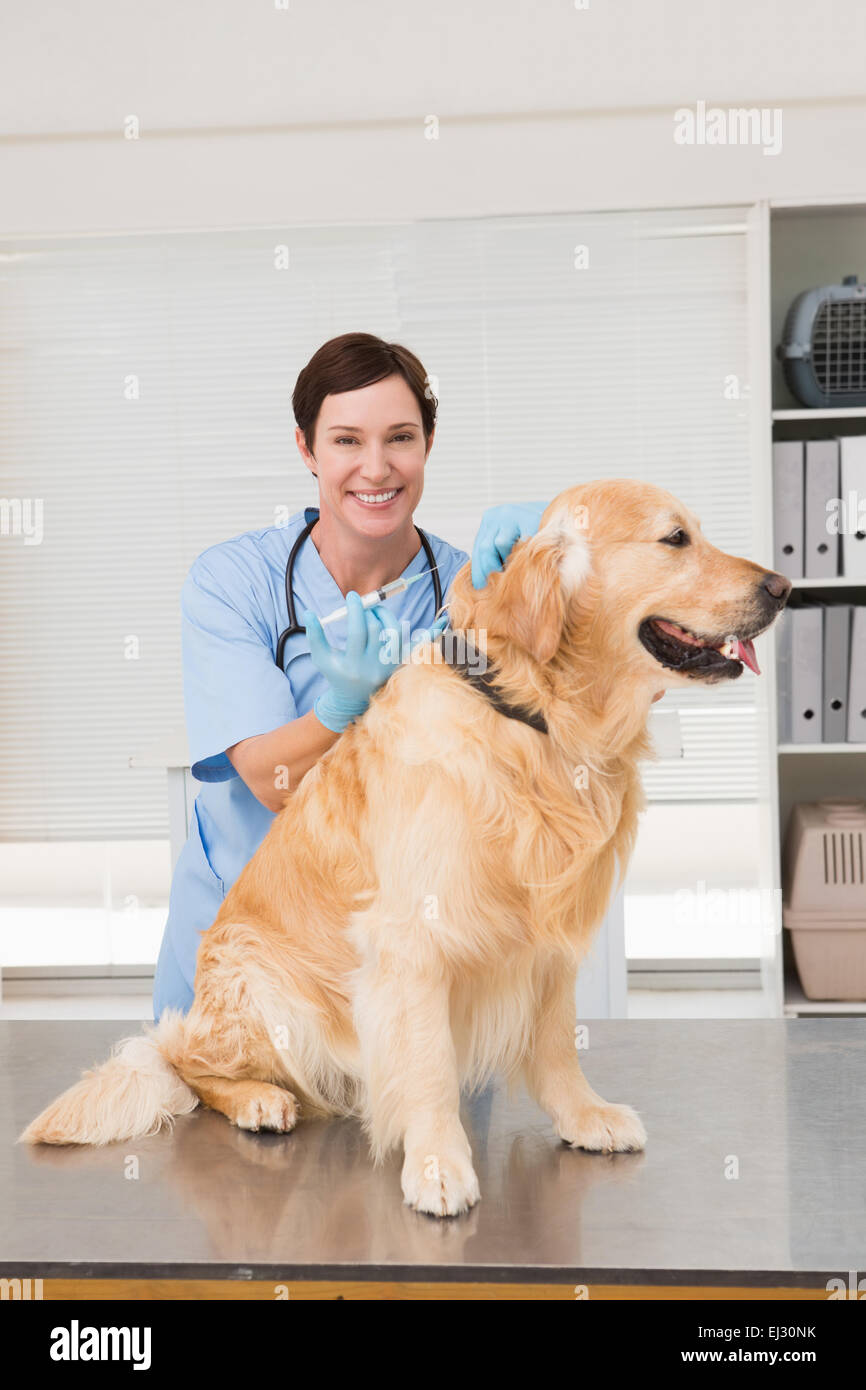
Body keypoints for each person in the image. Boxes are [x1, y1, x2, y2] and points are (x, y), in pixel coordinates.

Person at [152, 332, 546, 1021]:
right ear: (306, 449)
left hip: (422, 971)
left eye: (400, 437)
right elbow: (275, 785)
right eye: (345, 441)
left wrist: (565, 537)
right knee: (226, 1124)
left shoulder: (473, 591)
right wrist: (343, 706)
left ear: (427, 445)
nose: (376, 467)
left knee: (430, 1127)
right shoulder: (234, 584)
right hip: (254, 961)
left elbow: (581, 699)